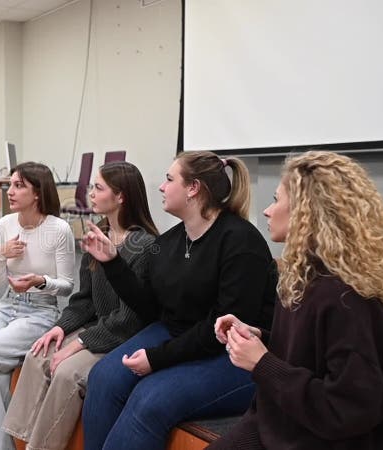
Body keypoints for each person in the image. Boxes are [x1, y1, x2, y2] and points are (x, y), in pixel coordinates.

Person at [209, 151, 383, 449]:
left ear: (306, 213)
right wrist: (259, 337)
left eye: (276, 200)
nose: (266, 210)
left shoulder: (347, 297)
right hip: (284, 420)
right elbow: (309, 354)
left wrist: (262, 363)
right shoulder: (306, 279)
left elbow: (349, 409)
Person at [80, 151, 278, 450]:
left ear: (193, 188)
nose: (161, 186)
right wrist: (112, 263)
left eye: (170, 179)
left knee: (150, 400)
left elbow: (221, 330)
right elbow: (152, 308)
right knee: (103, 378)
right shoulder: (169, 242)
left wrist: (157, 358)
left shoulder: (241, 241)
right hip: (181, 333)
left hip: (234, 354)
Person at [3, 162, 159, 450]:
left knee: (66, 372)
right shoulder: (99, 233)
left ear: (121, 196)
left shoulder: (144, 246)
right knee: (38, 354)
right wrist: (60, 329)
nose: (90, 193)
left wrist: (79, 344)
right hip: (98, 328)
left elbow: (129, 319)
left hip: (124, 337)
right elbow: (84, 299)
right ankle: (17, 438)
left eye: (98, 188)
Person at [0, 162, 76, 450]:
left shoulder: (59, 229)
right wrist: (0, 255)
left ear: (37, 193)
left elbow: (68, 286)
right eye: (10, 184)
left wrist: (40, 281)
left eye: (18, 185)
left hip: (41, 311)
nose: (9, 191)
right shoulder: (4, 225)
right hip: (7, 305)